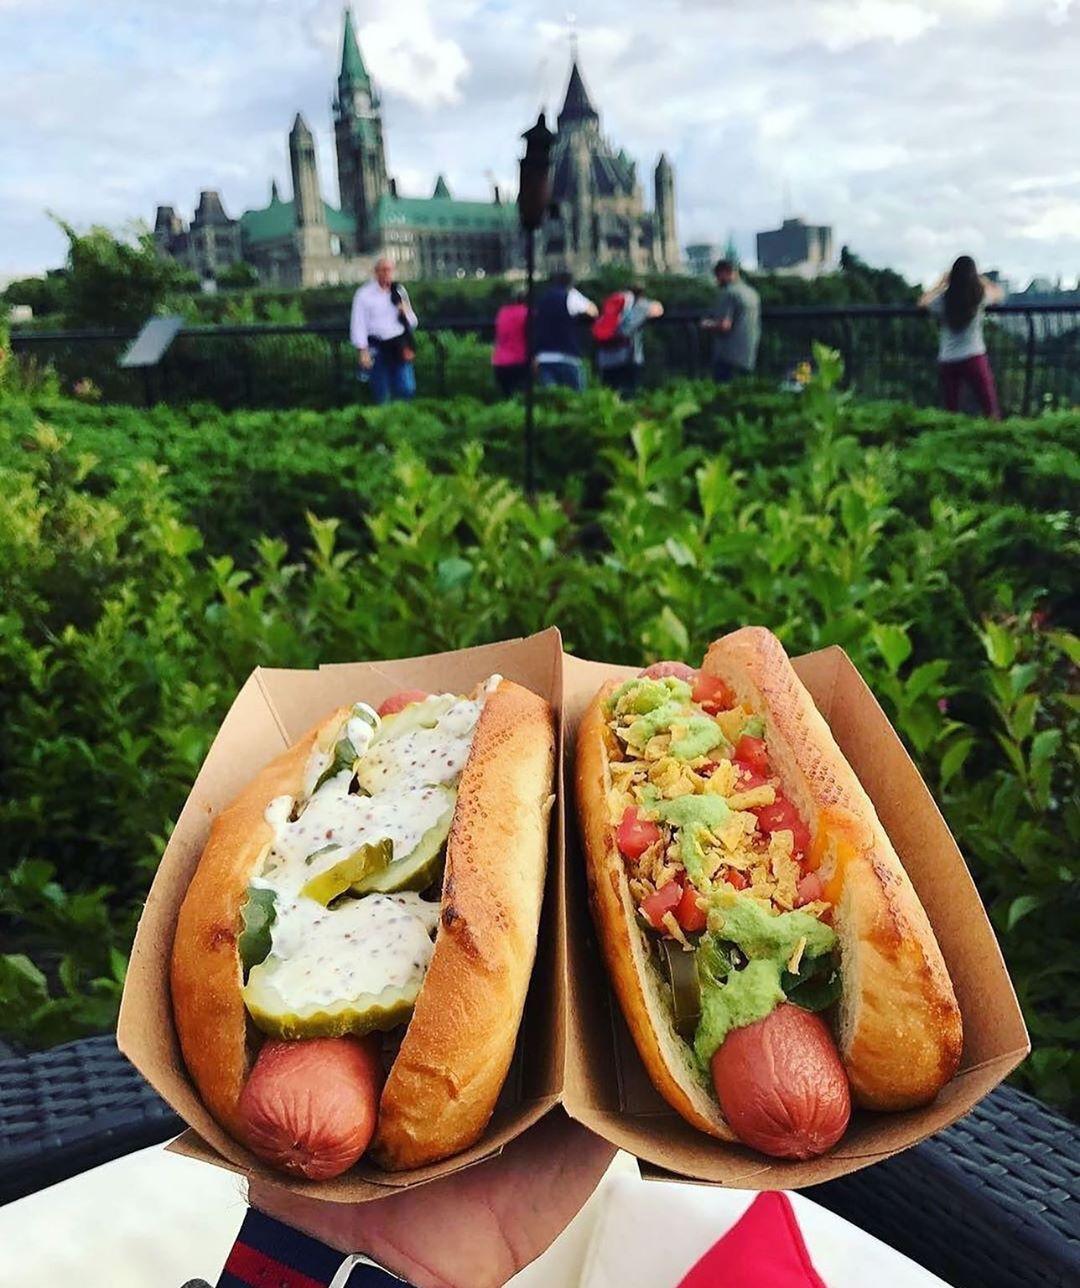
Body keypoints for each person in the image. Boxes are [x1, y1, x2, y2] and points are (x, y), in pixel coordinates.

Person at [919, 255, 1003, 419]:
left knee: (951, 409)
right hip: (974, 356)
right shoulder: (978, 297)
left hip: (948, 358)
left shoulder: (943, 299)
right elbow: (998, 293)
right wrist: (981, 279)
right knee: (989, 408)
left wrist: (940, 283)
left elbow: (923, 302)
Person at [350, 257, 418, 405]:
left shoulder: (398, 290)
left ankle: (404, 417)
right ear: (376, 272)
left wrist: (404, 311)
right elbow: (358, 323)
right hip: (377, 345)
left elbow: (412, 321)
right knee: (381, 391)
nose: (387, 273)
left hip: (398, 344)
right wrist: (363, 350)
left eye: (390, 270)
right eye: (384, 270)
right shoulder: (364, 294)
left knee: (406, 387)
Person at [593, 285, 664, 396]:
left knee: (608, 396)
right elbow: (657, 309)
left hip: (606, 359)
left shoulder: (613, 302)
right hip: (628, 359)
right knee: (629, 395)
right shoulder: (641, 305)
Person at [533, 270, 598, 391]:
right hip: (567, 356)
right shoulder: (570, 296)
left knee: (551, 401)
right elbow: (593, 312)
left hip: (543, 358)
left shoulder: (542, 300)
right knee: (576, 401)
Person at [702, 259, 760, 383]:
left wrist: (706, 325)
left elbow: (724, 325)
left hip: (727, 356)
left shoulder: (728, 293)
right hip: (749, 356)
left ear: (725, 273)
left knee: (723, 393)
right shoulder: (752, 293)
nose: (717, 280)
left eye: (718, 276)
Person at [491, 292, 529, 397]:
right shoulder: (526, 313)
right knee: (522, 398)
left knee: (506, 396)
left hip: (499, 362)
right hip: (519, 361)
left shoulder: (502, 313)